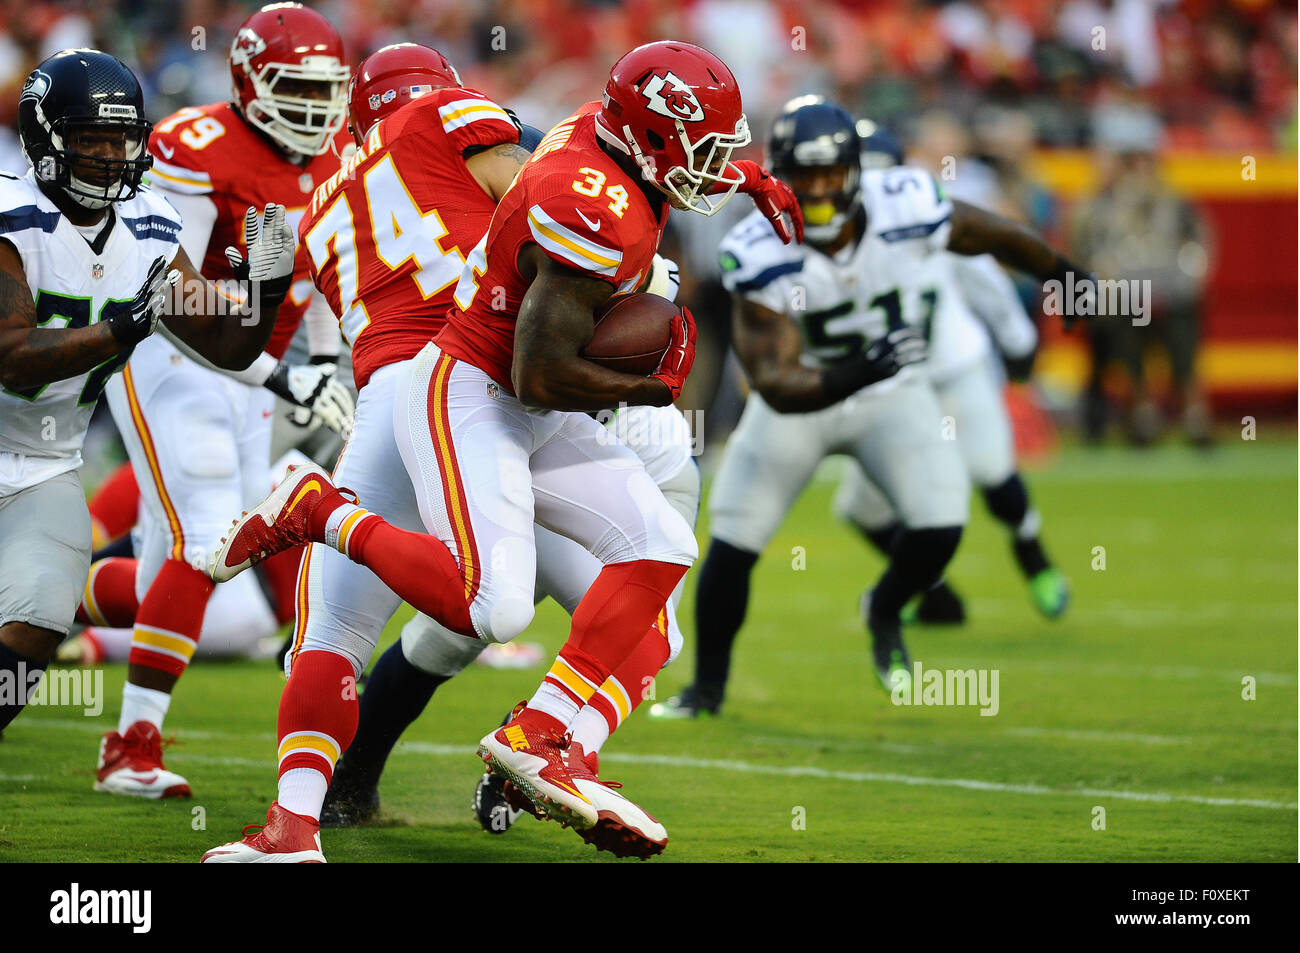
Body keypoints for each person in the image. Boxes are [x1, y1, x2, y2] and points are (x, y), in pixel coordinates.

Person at [205, 40, 802, 858]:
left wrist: (258, 274)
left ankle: (315, 816)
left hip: (406, 390)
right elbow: (534, 197)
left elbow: (253, 340)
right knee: (527, 610)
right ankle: (321, 514)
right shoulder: (457, 124)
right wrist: (643, 362)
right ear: (440, 91)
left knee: (337, 635)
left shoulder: (318, 201)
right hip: (477, 377)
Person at [654, 97, 1090, 719]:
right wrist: (861, 367)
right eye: (806, 177)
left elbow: (986, 232)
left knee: (941, 523)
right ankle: (707, 690)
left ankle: (886, 610)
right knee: (735, 538)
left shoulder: (903, 203)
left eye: (833, 174)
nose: (823, 190)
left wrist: (1061, 269)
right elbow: (776, 382)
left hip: (890, 396)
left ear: (860, 170)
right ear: (781, 177)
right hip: (803, 405)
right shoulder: (757, 243)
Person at [92, 3, 357, 800]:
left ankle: (35, 600)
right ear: (248, 82)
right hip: (176, 361)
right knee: (204, 537)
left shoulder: (338, 152)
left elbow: (313, 270)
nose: (313, 110)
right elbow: (181, 304)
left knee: (200, 565)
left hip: (256, 375)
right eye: (295, 89)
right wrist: (281, 375)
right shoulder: (194, 145)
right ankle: (130, 746)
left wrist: (318, 359)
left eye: (325, 91)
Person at [0, 48, 295, 736]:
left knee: (38, 626)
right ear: (46, 138)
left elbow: (223, 344)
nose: (107, 155)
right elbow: (11, 357)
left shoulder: (150, 225)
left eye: (120, 138)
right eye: (89, 139)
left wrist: (264, 293)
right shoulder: (13, 217)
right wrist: (118, 331)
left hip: (46, 465)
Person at [830, 118, 1069, 626]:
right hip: (892, 390)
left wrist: (1018, 340)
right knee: (862, 508)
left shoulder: (922, 222)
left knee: (991, 472)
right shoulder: (828, 240)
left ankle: (1035, 559)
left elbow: (983, 274)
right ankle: (935, 593)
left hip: (953, 370)